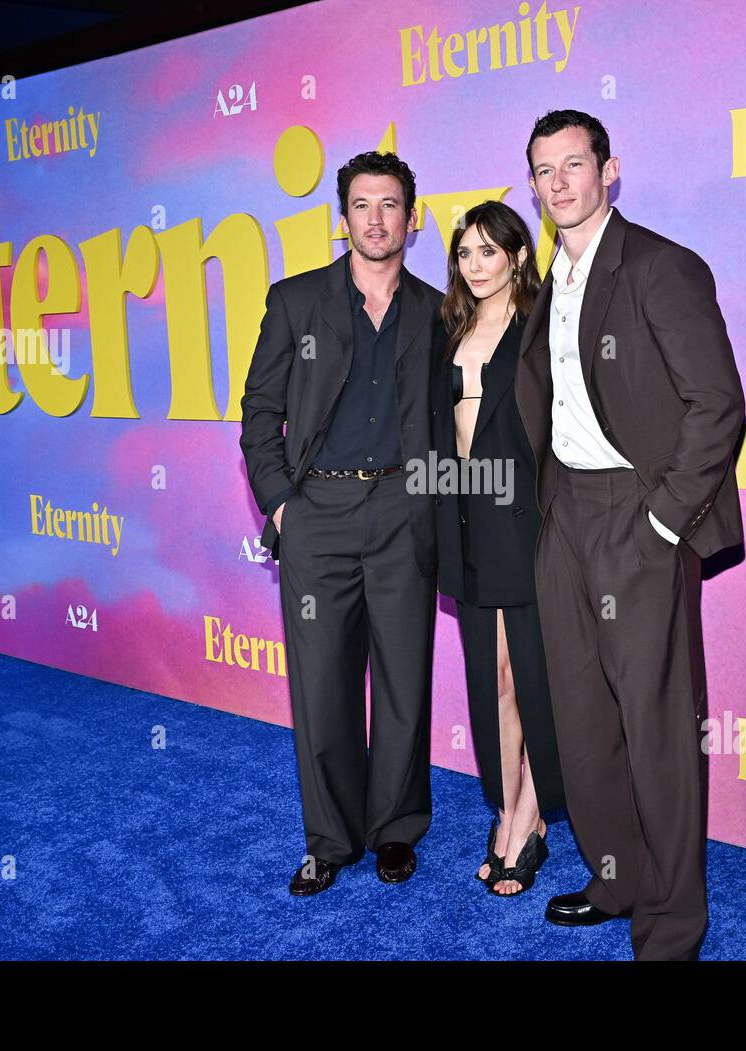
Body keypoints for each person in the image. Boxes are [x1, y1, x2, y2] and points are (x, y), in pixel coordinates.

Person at [512, 110, 746, 960]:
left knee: (655, 725)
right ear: (532, 185)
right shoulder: (551, 282)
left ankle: (674, 922)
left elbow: (717, 403)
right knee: (581, 715)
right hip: (565, 514)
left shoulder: (660, 266)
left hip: (634, 515)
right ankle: (616, 877)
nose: (560, 181)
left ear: (610, 171)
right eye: (544, 169)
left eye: (575, 164)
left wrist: (661, 518)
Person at [239, 151, 442, 896]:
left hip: (402, 511)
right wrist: (282, 504)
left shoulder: (434, 310)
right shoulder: (296, 302)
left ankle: (395, 829)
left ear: (411, 217)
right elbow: (260, 411)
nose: (377, 218)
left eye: (391, 204)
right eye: (362, 204)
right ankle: (330, 839)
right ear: (343, 215)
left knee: (402, 681)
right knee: (321, 682)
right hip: (316, 513)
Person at [429, 201, 567, 897]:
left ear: (518, 253)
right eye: (465, 253)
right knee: (495, 679)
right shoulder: (451, 324)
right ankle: (514, 808)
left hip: (524, 521)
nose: (476, 265)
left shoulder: (543, 324)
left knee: (532, 677)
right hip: (467, 521)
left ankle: (525, 816)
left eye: (490, 251)